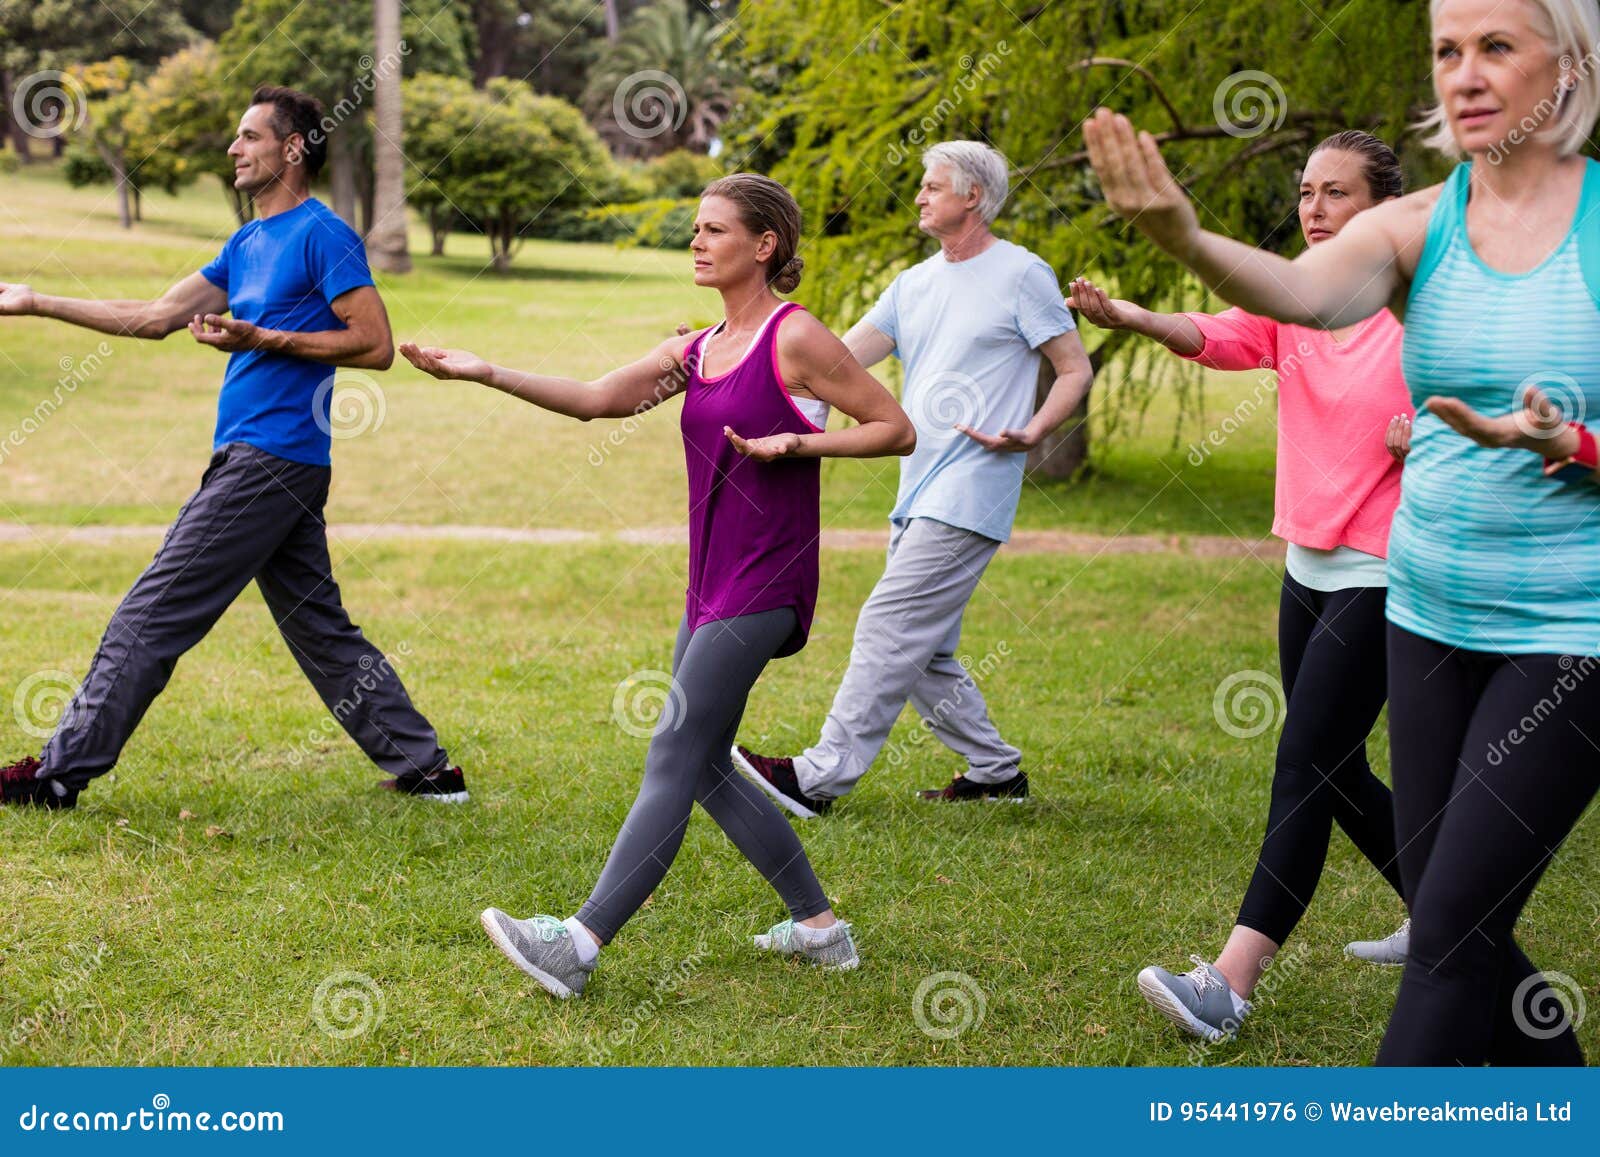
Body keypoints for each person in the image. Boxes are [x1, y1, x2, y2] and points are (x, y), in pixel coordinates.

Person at [1084, 0, 1600, 1066]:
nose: (1462, 74)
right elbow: (1300, 293)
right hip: (1422, 609)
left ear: (1572, 62)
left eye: (1495, 47)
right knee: (1461, 912)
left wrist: (1571, 444)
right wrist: (1182, 237)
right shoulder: (1417, 224)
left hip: (1568, 627)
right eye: (1446, 51)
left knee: (1447, 929)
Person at [401, 174, 915, 997]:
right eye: (695, 229)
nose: (698, 242)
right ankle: (819, 928)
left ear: (764, 245)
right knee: (706, 763)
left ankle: (579, 941)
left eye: (714, 229)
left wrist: (798, 446)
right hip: (710, 581)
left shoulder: (798, 339)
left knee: (673, 748)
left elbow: (896, 427)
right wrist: (482, 369)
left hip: (768, 580)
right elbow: (597, 400)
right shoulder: (698, 349)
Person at [0, 86, 465, 809]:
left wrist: (264, 337)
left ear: (292, 148)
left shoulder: (322, 234)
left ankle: (58, 774)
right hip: (263, 461)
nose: (234, 148)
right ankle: (428, 769)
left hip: (270, 459)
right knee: (318, 623)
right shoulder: (245, 243)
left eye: (250, 136)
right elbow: (154, 317)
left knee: (151, 611)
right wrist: (37, 301)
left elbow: (375, 344)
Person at [1069, 131, 1413, 1043]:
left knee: (1302, 765)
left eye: (1334, 193)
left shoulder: (1422, 310)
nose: (1312, 207)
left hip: (1386, 568)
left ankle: (1228, 983)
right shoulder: (1299, 295)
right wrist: (1141, 321)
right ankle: (1446, 903)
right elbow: (1224, 336)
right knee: (1335, 766)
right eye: (1306, 190)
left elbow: (1494, 397)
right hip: (1306, 564)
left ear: (1382, 208)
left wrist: (1438, 432)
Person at [731, 141, 1093, 817]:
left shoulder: (1022, 274)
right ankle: (994, 771)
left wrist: (1036, 428)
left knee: (890, 623)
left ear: (973, 197)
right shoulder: (915, 284)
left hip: (974, 486)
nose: (920, 197)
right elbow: (832, 361)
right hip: (917, 486)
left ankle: (818, 777)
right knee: (925, 650)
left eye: (932, 186)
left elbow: (1074, 366)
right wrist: (729, 350)